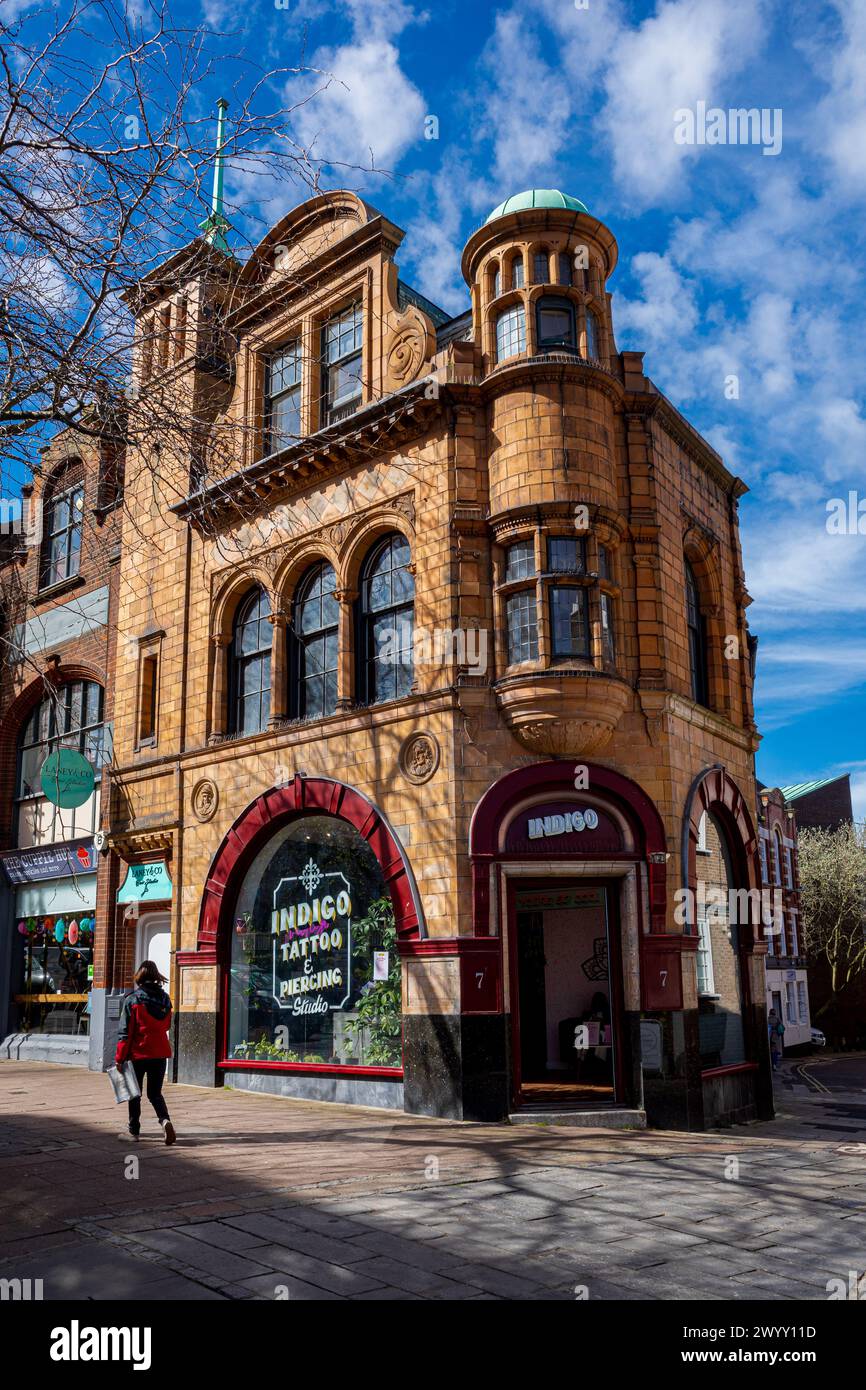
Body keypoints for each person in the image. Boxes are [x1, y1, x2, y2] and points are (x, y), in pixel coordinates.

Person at [115, 961, 176, 1145]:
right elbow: (167, 1025)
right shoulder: (166, 999)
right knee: (155, 1093)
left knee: (135, 1093)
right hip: (160, 1053)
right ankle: (165, 1121)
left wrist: (119, 1058)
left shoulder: (132, 1000)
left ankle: (133, 1132)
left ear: (139, 976)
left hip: (138, 1054)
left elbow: (125, 1033)